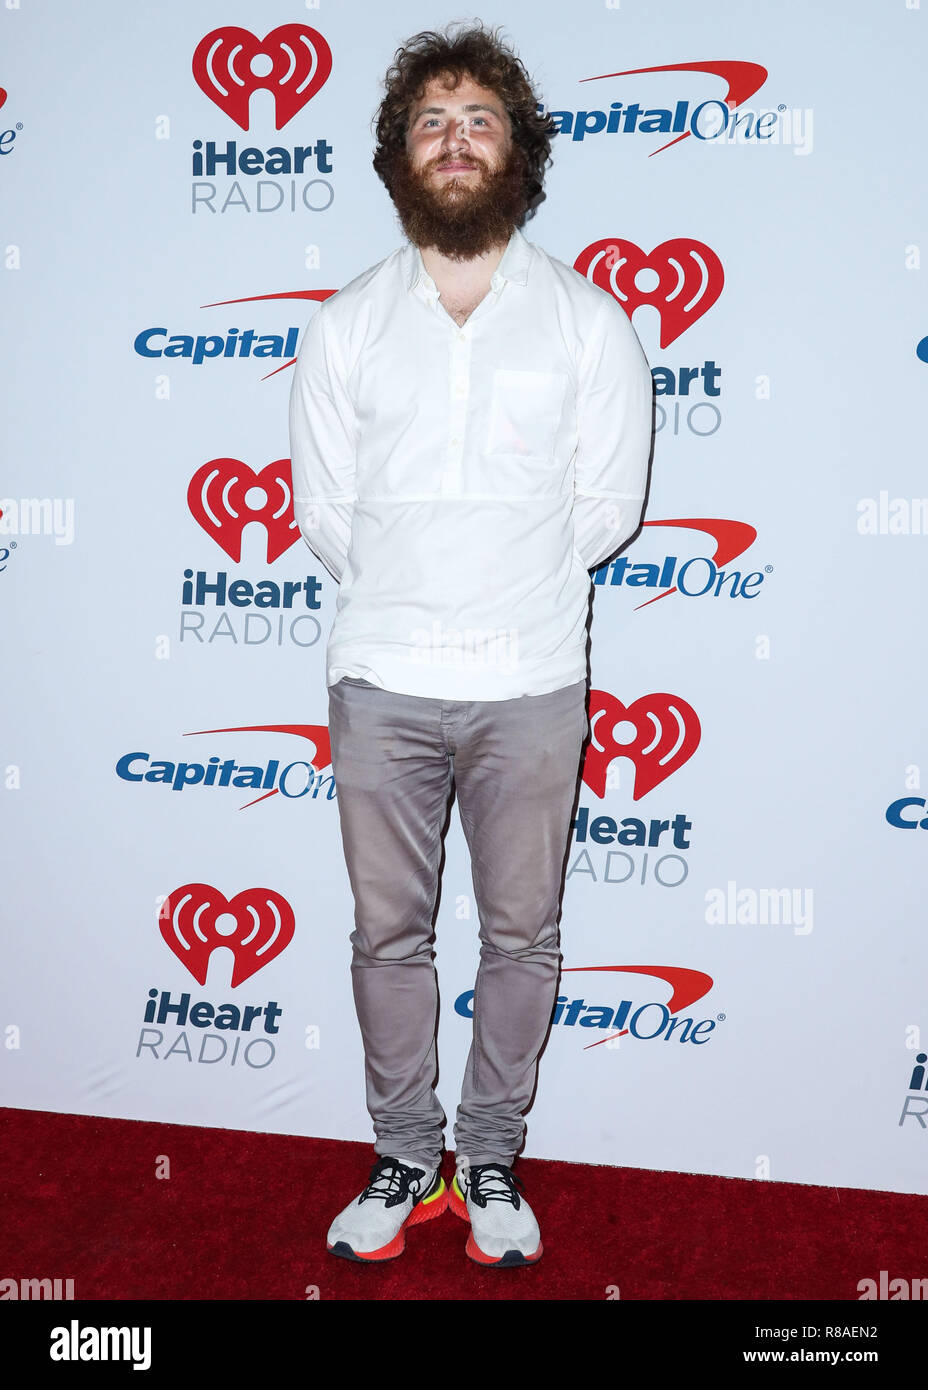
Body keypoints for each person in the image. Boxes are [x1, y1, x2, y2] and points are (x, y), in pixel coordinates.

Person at [288, 21, 653, 1267]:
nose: (455, 138)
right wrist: (414, 602)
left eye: (479, 117)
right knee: (386, 935)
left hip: (533, 683)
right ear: (400, 155)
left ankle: (488, 1155)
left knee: (521, 937)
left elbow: (607, 512)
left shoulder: (587, 323)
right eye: (431, 120)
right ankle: (403, 1153)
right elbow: (323, 514)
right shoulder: (343, 324)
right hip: (383, 679)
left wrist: (501, 596)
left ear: (519, 150)